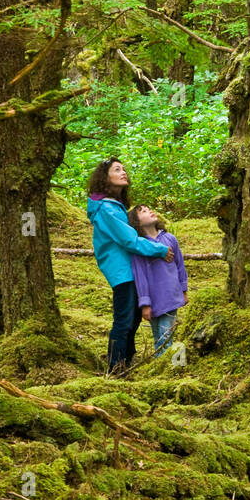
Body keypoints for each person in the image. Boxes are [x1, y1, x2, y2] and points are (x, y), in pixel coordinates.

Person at [86, 158, 173, 374]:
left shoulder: (113, 206)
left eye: (124, 169)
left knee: (132, 319)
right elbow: (129, 240)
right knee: (124, 320)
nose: (123, 172)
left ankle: (126, 362)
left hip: (128, 269)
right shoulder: (106, 209)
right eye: (117, 170)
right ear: (105, 178)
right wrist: (160, 250)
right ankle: (115, 368)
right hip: (122, 272)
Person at [127, 204, 188, 355]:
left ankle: (167, 365)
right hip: (153, 299)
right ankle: (163, 364)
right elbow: (140, 277)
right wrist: (145, 303)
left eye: (149, 209)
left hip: (171, 296)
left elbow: (180, 265)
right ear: (137, 222)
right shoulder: (139, 247)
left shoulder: (169, 239)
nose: (150, 211)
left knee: (166, 334)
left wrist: (184, 290)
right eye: (144, 212)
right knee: (158, 335)